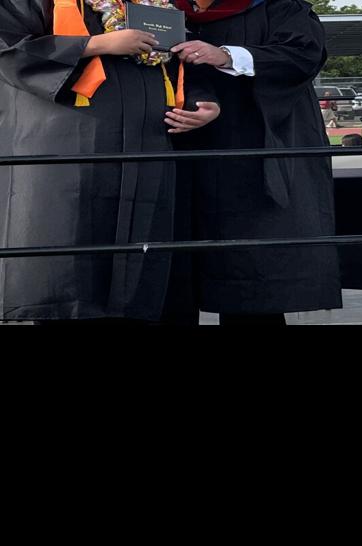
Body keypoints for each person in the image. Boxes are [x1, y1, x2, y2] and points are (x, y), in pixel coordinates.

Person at [0, 0, 219, 324]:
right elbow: (8, 50)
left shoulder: (151, 4)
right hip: (67, 151)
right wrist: (98, 44)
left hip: (146, 150)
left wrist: (204, 101)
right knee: (68, 274)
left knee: (140, 272)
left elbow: (180, 61)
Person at [169, 0, 341, 326]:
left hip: (252, 151)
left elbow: (305, 54)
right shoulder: (162, 10)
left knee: (251, 283)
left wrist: (226, 54)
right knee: (174, 276)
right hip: (181, 151)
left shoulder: (279, 7)